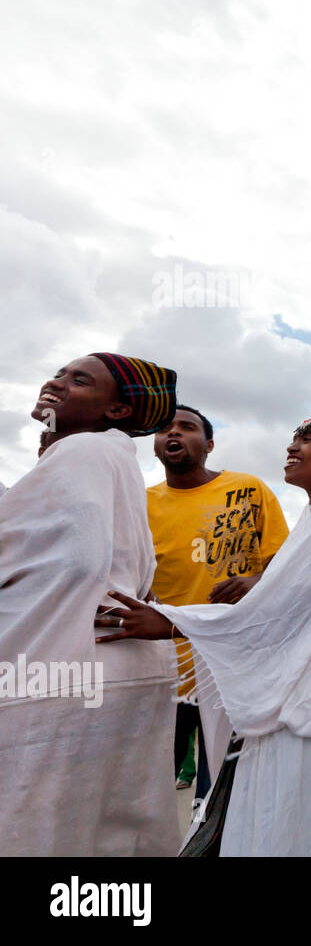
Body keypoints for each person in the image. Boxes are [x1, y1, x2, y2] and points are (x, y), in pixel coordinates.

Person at [97, 416, 311, 856]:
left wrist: (171, 623)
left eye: (306, 438)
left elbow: (283, 612)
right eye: (292, 436)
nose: (291, 446)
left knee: (306, 819)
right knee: (307, 822)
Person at [0, 353, 179, 855]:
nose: (56, 382)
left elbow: (77, 558)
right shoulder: (106, 455)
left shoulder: (82, 453)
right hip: (114, 667)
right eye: (59, 372)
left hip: (59, 669)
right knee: (104, 829)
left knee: (33, 827)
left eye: (79, 380)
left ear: (118, 411)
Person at [148, 403, 290, 800]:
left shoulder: (248, 489)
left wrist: (256, 579)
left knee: (221, 793)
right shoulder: (140, 503)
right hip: (164, 669)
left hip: (236, 664)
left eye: (187, 427)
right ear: (155, 445)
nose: (173, 434)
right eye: (164, 429)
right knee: (151, 788)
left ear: (209, 443)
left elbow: (285, 561)